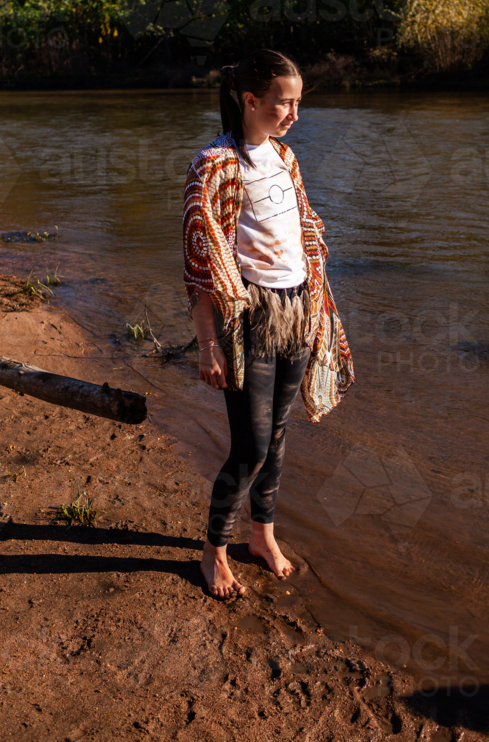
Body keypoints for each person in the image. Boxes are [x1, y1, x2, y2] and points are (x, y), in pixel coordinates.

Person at [182, 48, 354, 599]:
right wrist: (208, 344)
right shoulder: (215, 164)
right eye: (286, 103)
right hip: (249, 320)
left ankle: (262, 536)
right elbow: (198, 263)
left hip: (299, 310)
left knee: (278, 436)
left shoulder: (285, 158)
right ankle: (213, 552)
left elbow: (304, 238)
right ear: (251, 100)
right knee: (251, 445)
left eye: (299, 103)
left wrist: (320, 306)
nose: (294, 115)